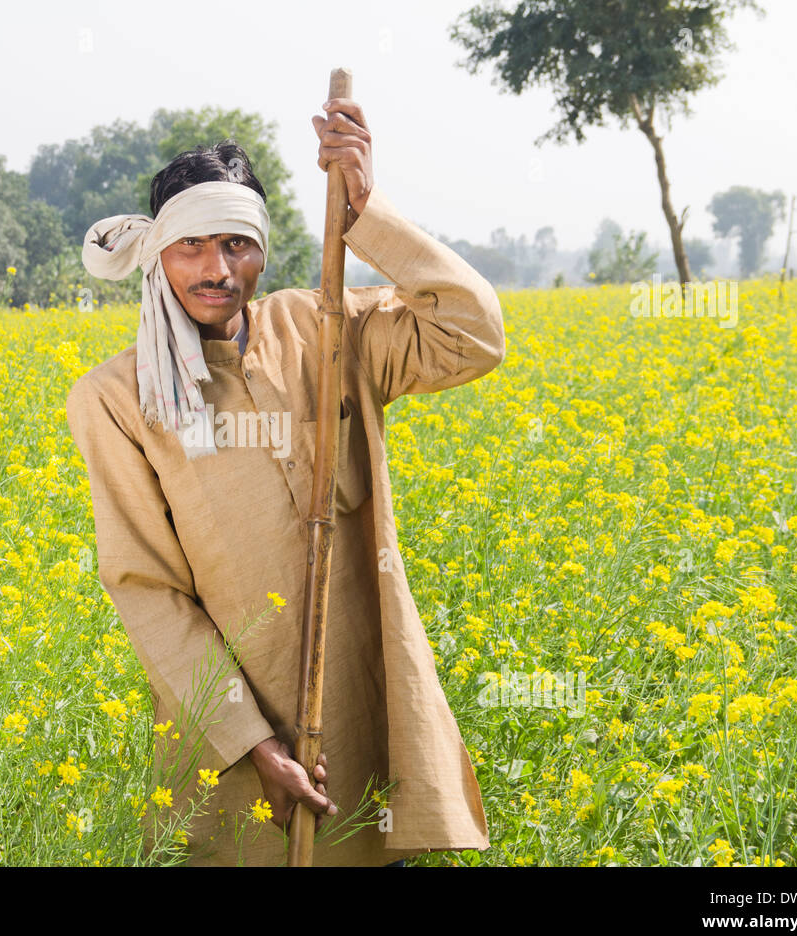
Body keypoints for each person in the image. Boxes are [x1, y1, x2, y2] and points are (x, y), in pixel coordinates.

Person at [65, 98, 505, 866]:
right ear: (158, 255)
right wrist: (255, 744)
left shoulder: (324, 328)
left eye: (238, 244)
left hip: (362, 721)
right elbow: (146, 586)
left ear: (263, 252)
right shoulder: (114, 399)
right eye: (192, 245)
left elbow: (472, 334)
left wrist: (367, 212)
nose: (216, 269)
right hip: (232, 738)